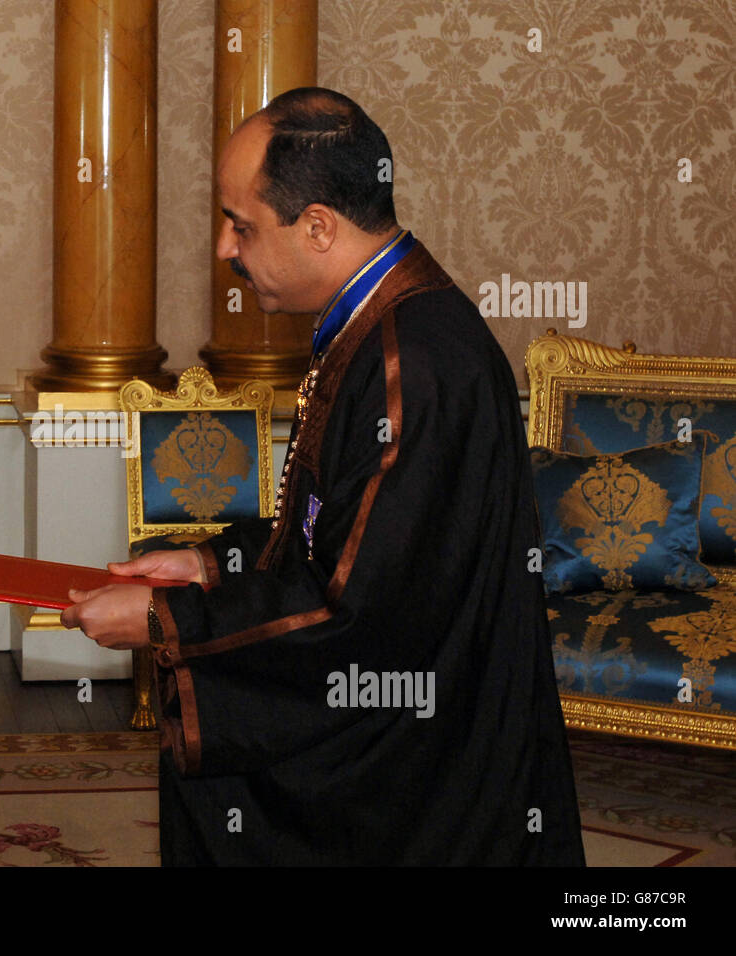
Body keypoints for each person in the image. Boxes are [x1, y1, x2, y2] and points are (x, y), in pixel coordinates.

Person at [62, 88, 585, 865]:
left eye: (241, 225)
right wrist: (212, 561)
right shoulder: (376, 322)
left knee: (224, 765)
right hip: (401, 692)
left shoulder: (415, 363)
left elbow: (359, 606)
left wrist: (163, 622)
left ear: (317, 227)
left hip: (417, 742)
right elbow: (336, 530)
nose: (223, 248)